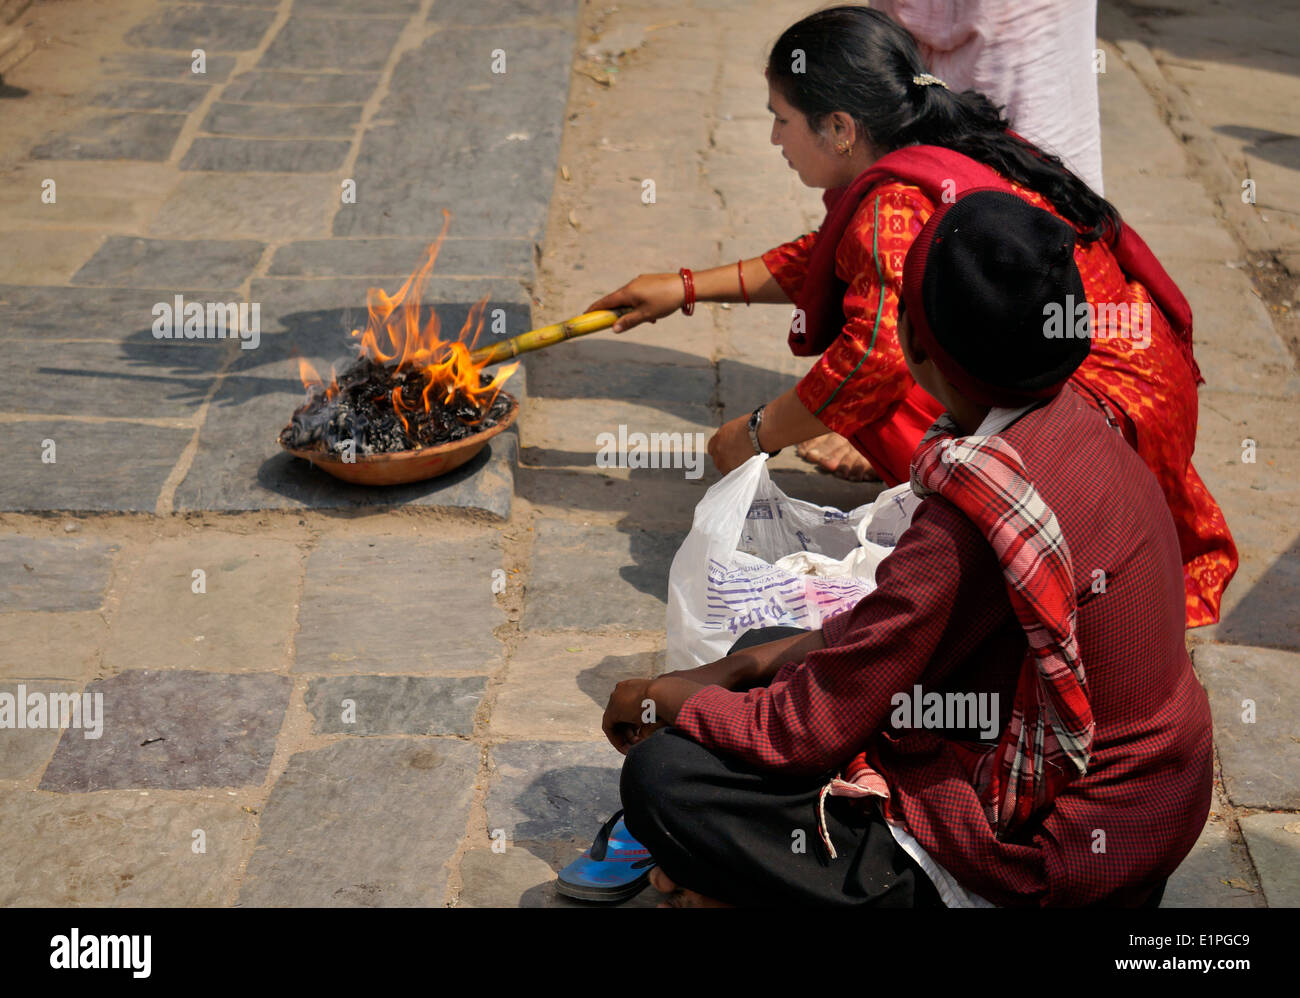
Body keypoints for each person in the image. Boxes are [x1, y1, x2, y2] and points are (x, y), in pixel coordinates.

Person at [601, 190, 1215, 907]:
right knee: (771, 647)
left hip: (1058, 860)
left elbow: (803, 732)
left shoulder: (974, 516)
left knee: (667, 779)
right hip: (1154, 804)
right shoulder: (1074, 419)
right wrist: (742, 662)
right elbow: (876, 638)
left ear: (918, 347)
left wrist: (666, 702)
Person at [586, 4, 1235, 628]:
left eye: (782, 120)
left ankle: (981, 530)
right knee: (878, 335)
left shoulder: (891, 202)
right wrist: (684, 288)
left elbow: (873, 360)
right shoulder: (935, 146)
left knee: (880, 367)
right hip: (1143, 395)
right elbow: (826, 259)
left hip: (1102, 423)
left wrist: (754, 434)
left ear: (839, 128)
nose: (774, 139)